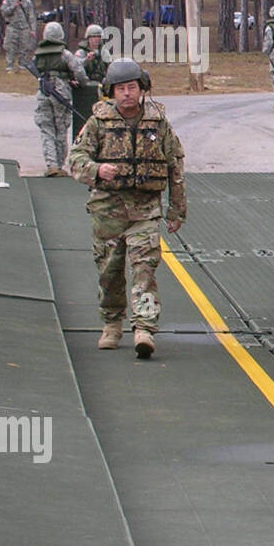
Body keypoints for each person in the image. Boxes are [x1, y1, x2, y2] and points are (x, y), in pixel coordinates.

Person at [67, 59, 186, 359]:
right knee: (109, 273)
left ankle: (144, 328)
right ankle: (112, 324)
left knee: (145, 270)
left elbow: (175, 165)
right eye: (120, 89)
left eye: (132, 87)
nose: (127, 94)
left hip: (144, 211)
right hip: (107, 212)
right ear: (111, 92)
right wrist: (96, 170)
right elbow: (76, 160)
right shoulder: (97, 123)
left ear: (142, 89)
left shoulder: (158, 123)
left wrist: (176, 210)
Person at [26, 21, 88, 177]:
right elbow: (79, 72)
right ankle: (59, 165)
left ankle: (51, 164)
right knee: (60, 129)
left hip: (44, 92)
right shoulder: (64, 54)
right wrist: (81, 83)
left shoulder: (37, 55)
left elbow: (35, 71)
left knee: (46, 129)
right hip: (61, 93)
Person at [71, 24, 107, 140]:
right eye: (94, 36)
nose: (96, 39)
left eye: (98, 37)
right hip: (86, 89)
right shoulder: (81, 52)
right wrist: (86, 60)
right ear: (88, 38)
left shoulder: (104, 52)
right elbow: (75, 66)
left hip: (100, 88)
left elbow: (111, 68)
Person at [0, 0, 37, 74]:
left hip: (24, 28)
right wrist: (13, 6)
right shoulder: (8, 0)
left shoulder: (27, 1)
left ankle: (22, 66)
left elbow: (31, 16)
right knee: (10, 48)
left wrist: (33, 29)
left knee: (24, 48)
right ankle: (9, 67)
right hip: (12, 27)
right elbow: (3, 12)